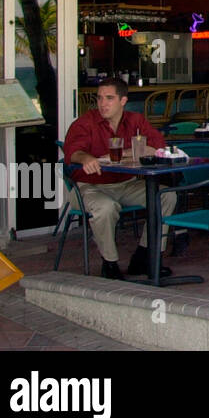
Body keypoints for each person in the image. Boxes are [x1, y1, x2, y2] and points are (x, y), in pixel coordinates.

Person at [63, 77, 175, 279]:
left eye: (109, 98)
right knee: (106, 208)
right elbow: (72, 152)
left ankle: (145, 256)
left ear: (123, 101)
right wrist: (86, 158)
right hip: (90, 187)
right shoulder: (85, 122)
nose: (102, 104)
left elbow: (159, 146)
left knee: (166, 196)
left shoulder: (135, 120)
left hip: (127, 183)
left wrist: (125, 153)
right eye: (99, 98)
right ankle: (110, 264)